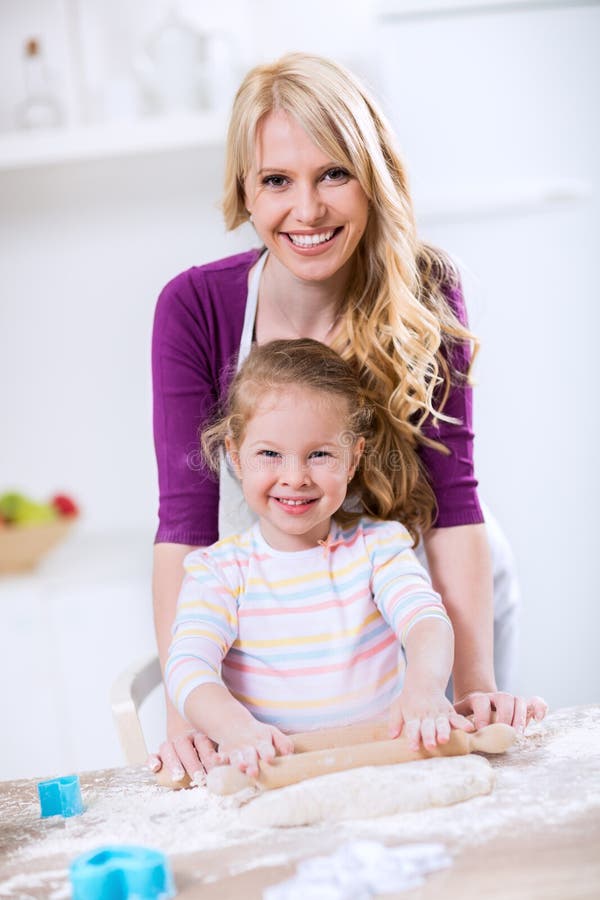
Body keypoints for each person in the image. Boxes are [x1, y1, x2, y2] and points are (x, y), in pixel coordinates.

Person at [150, 52, 545, 783]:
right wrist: (185, 717)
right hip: (284, 604)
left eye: (334, 173)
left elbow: (454, 505)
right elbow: (185, 523)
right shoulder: (195, 310)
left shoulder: (425, 289)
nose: (307, 211)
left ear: (374, 175)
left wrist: (475, 686)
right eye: (277, 180)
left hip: (423, 591)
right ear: (245, 188)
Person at [166, 339, 479, 779]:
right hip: (273, 774)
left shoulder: (379, 549)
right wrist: (235, 729)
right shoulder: (219, 572)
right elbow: (187, 665)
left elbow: (426, 620)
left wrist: (425, 689)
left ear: (353, 459)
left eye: (320, 454)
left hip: (385, 766)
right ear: (236, 457)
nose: (295, 478)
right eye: (270, 453)